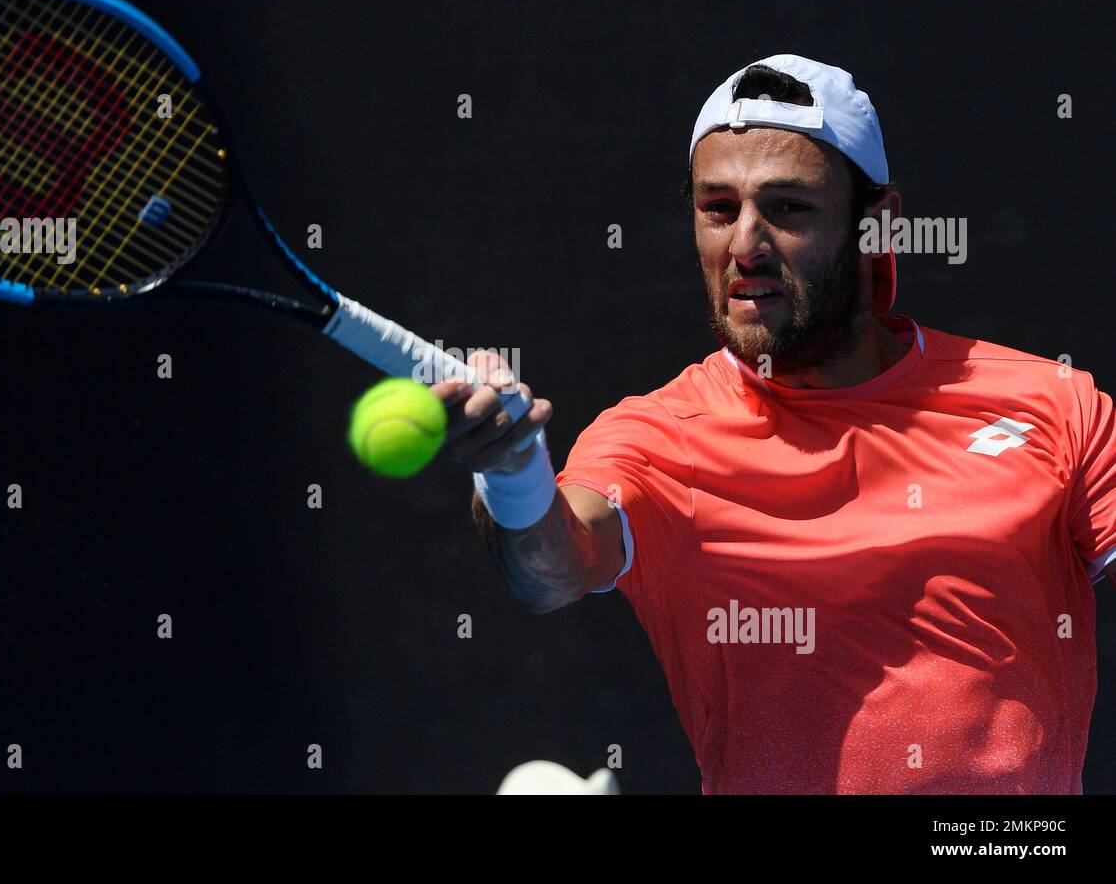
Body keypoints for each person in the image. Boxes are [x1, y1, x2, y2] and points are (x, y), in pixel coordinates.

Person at [434, 55, 1116, 794]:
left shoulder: (1053, 404)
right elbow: (552, 567)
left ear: (876, 224)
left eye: (788, 207)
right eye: (717, 208)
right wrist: (512, 472)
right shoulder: (660, 439)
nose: (745, 245)